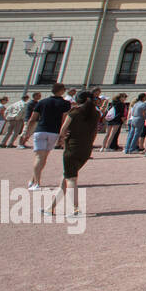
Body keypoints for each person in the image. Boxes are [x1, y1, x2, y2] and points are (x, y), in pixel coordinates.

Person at [41, 90, 100, 219]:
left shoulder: (75, 112)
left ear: (78, 100)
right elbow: (95, 132)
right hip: (86, 149)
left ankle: (76, 210)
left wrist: (60, 141)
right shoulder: (95, 113)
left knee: (71, 179)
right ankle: (50, 207)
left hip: (72, 148)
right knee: (66, 178)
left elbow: (63, 129)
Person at [26, 84, 71, 190]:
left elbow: (33, 119)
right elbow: (64, 120)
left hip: (40, 131)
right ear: (61, 91)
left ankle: (34, 180)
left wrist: (27, 133)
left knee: (40, 157)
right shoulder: (65, 103)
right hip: (53, 132)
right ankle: (36, 182)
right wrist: (62, 135)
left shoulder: (42, 102)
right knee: (44, 157)